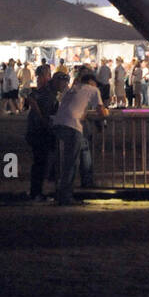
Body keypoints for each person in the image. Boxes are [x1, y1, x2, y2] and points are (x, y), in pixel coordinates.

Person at [51, 69, 108, 206]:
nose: (97, 86)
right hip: (73, 125)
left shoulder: (73, 88)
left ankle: (60, 192)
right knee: (71, 163)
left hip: (58, 123)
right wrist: (107, 112)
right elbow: (102, 112)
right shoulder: (93, 90)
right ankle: (65, 197)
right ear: (91, 81)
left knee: (65, 161)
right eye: (96, 83)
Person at [26, 68, 60, 202]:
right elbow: (32, 100)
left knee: (41, 163)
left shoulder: (44, 91)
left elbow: (31, 98)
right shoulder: (46, 92)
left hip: (39, 130)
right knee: (40, 163)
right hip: (40, 132)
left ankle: (37, 191)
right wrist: (42, 118)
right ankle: (36, 192)